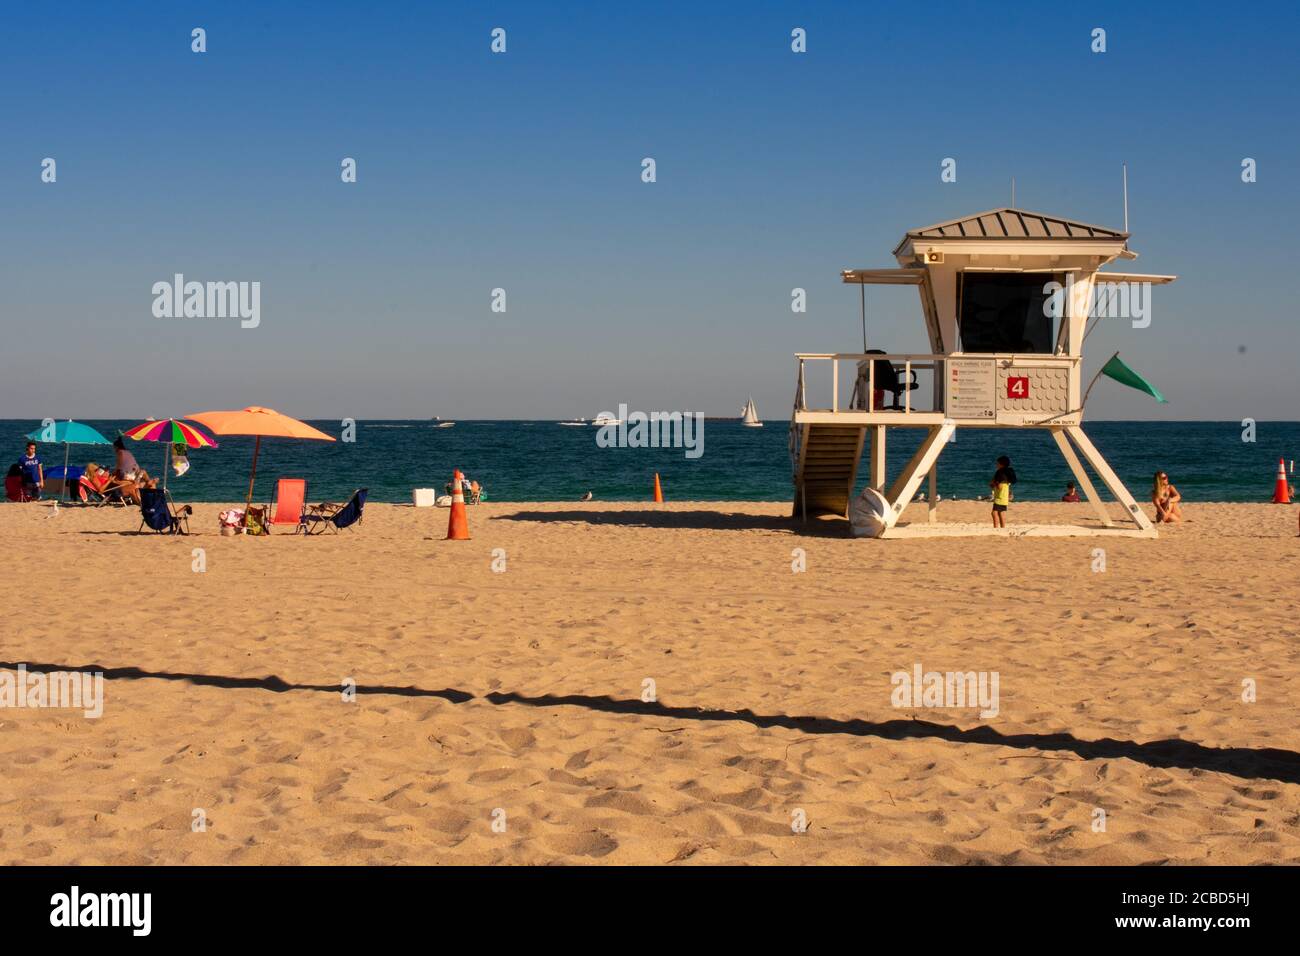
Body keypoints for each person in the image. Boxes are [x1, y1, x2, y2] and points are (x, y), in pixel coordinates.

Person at [990, 455, 1016, 528]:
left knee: (994, 513)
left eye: (997, 463)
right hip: (1004, 498)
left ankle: (996, 528)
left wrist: (994, 484)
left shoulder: (1000, 474)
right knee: (1000, 513)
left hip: (999, 497)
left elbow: (1000, 487)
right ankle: (1003, 528)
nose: (996, 465)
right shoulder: (1007, 474)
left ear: (1001, 464)